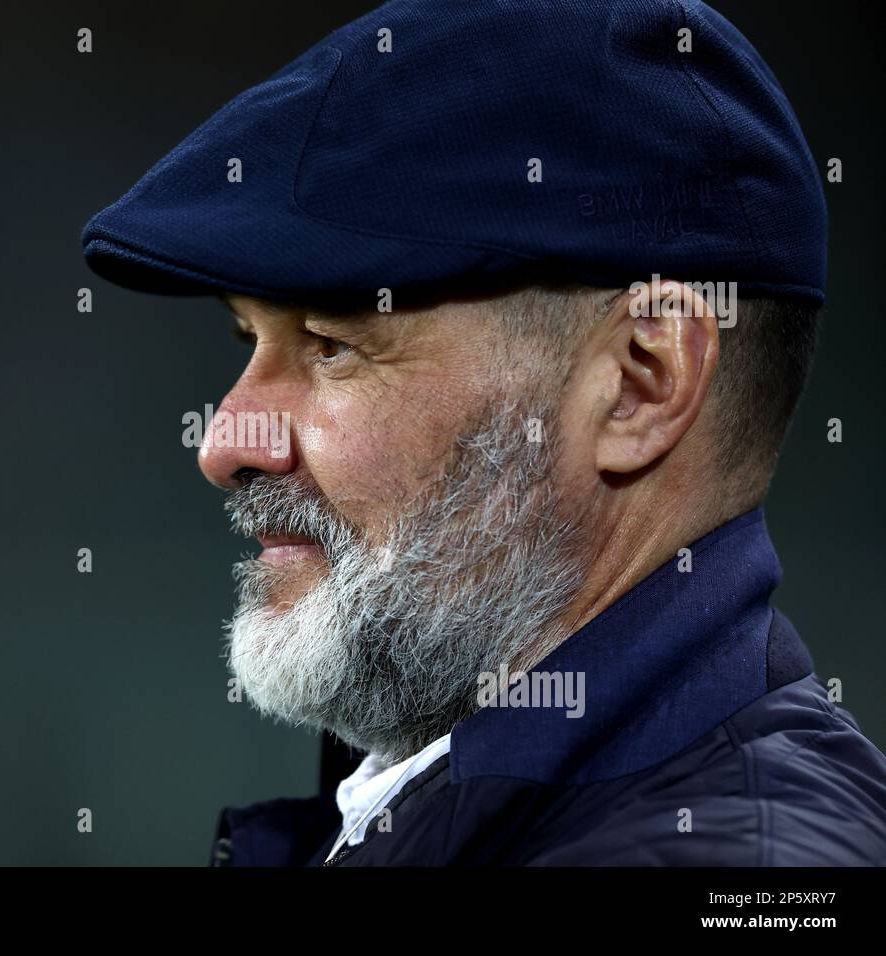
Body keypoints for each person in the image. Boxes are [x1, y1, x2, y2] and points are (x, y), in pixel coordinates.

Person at [81, 0, 886, 865]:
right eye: (251, 341)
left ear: (641, 385)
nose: (226, 442)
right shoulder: (440, 791)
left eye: (333, 344)